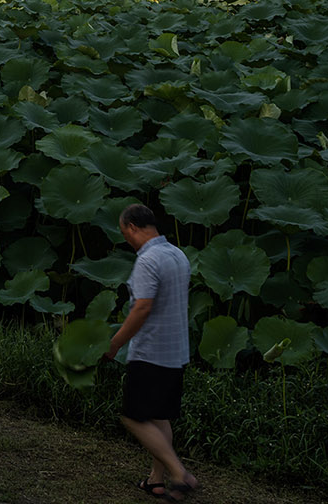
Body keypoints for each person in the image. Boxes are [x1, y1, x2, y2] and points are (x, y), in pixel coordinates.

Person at [104, 203, 197, 500]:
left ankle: (180, 474)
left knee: (134, 417)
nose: (125, 239)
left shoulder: (148, 260)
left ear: (132, 227)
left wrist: (116, 342)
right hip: (176, 351)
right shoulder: (178, 255)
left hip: (151, 351)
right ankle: (155, 481)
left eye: (124, 233)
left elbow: (142, 308)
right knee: (159, 418)